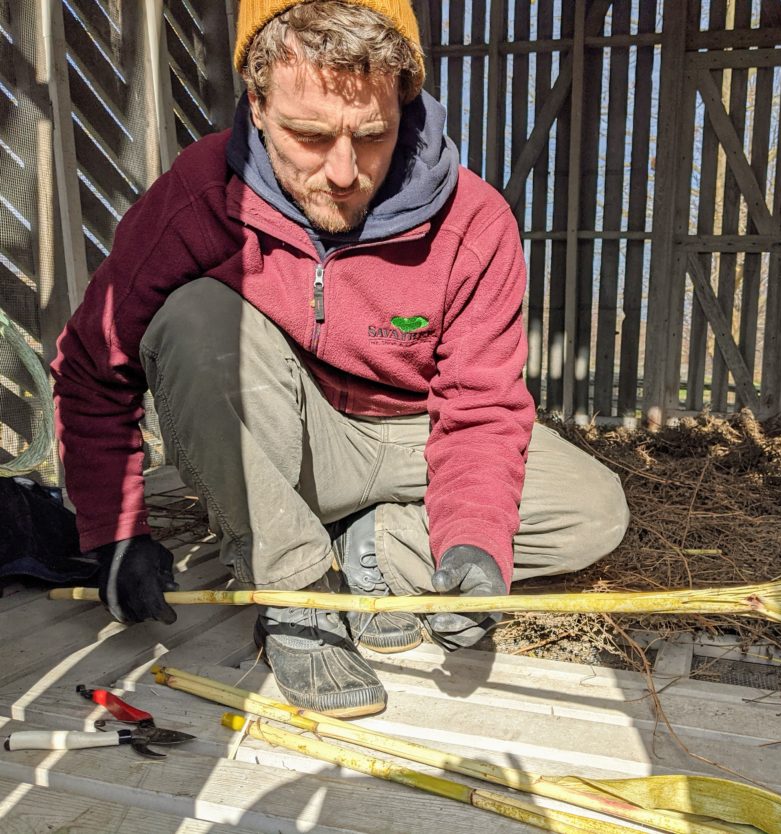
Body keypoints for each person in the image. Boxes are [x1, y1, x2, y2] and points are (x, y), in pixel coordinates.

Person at [51, 0, 629, 717]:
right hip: (293, 439)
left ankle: (371, 549)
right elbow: (92, 365)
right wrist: (114, 528)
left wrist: (473, 541)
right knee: (196, 317)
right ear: (257, 105)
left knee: (591, 512)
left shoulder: (475, 221)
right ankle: (296, 592)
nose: (345, 171)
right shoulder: (201, 194)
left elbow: (480, 407)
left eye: (373, 135)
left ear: (404, 103)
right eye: (310, 135)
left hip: (416, 443)